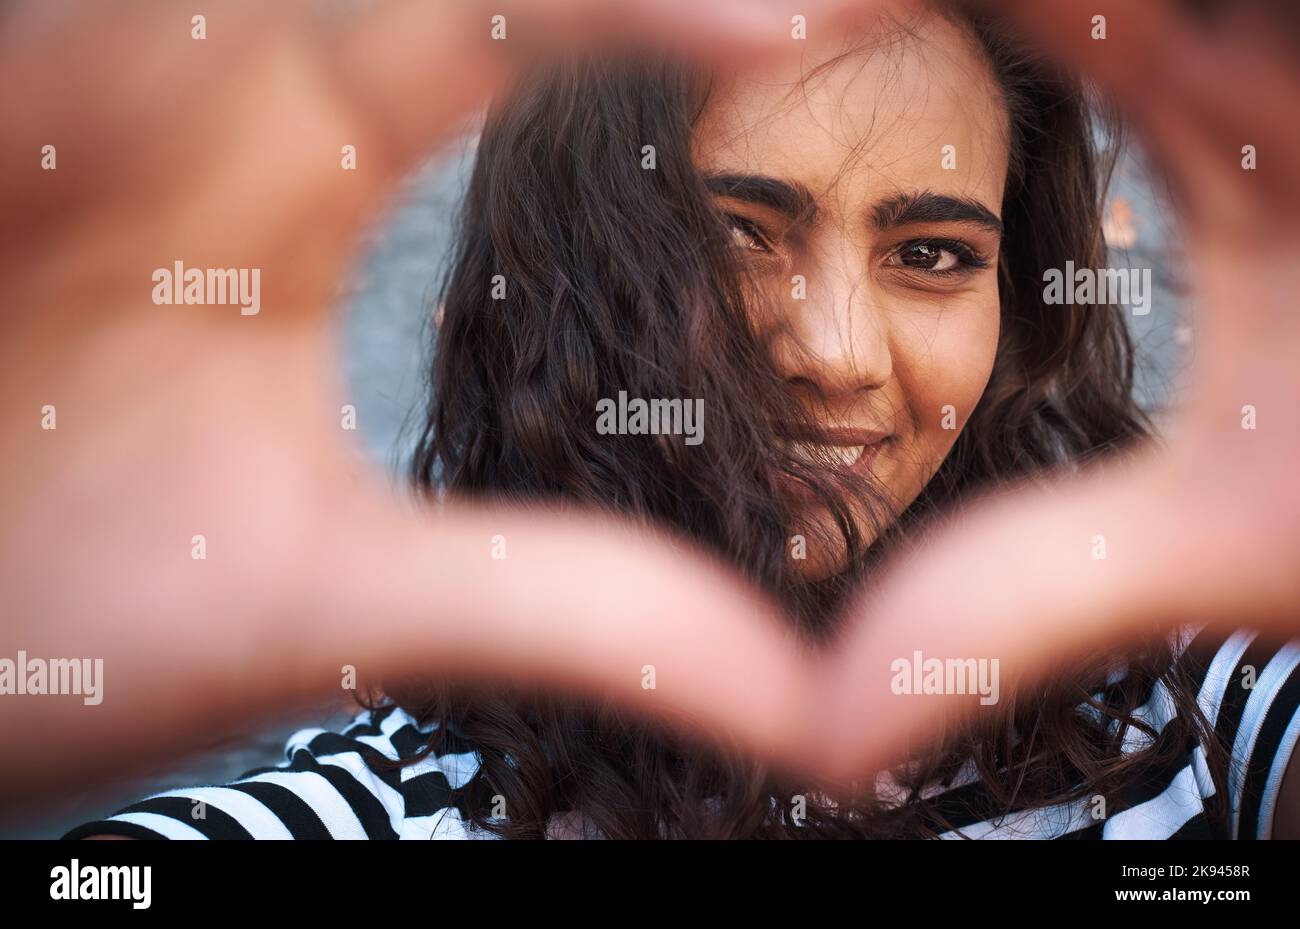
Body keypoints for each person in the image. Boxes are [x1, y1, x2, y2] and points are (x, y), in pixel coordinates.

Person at [51, 1, 1300, 839]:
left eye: (930, 252)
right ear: (565, 270)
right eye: (734, 233)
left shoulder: (1185, 695)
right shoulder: (423, 801)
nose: (835, 353)